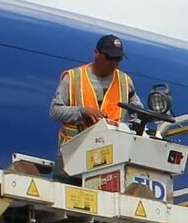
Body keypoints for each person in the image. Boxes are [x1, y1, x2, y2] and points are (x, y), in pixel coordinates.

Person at [53, 34, 133, 168]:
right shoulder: (73, 78)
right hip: (72, 156)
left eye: (118, 59)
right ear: (96, 53)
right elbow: (55, 111)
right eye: (110, 58)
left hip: (109, 159)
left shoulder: (125, 82)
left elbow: (137, 114)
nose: (114, 64)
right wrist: (82, 111)